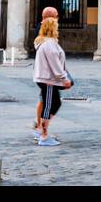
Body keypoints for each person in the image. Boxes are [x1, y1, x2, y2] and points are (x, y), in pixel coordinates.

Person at [33, 15, 71, 146]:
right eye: (56, 26)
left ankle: (43, 131)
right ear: (52, 28)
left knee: (55, 104)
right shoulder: (49, 44)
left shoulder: (45, 42)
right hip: (48, 80)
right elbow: (55, 64)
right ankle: (43, 136)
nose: (58, 29)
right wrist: (64, 78)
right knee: (49, 107)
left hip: (48, 79)